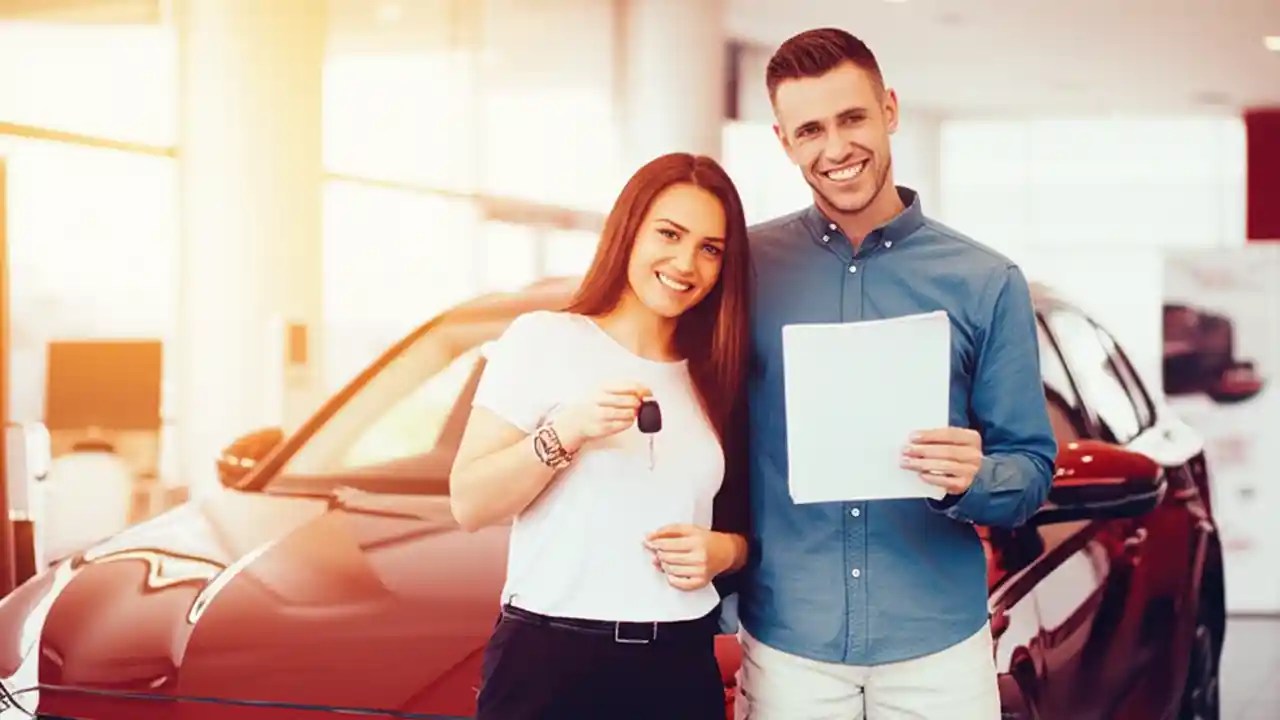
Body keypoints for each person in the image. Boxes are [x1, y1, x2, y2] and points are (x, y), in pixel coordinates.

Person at [734, 28, 1058, 719]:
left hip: (938, 651)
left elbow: (1030, 468)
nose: (836, 148)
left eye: (852, 118)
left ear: (889, 110)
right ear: (784, 142)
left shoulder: (986, 282)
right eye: (810, 129)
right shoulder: (743, 272)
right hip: (789, 647)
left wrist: (974, 481)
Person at [449, 152, 754, 720]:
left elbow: (753, 527)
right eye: (669, 233)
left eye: (710, 248)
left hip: (679, 665)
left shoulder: (719, 374)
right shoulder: (544, 339)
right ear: (629, 230)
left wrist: (724, 550)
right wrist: (566, 432)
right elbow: (469, 502)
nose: (686, 263)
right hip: (550, 665)